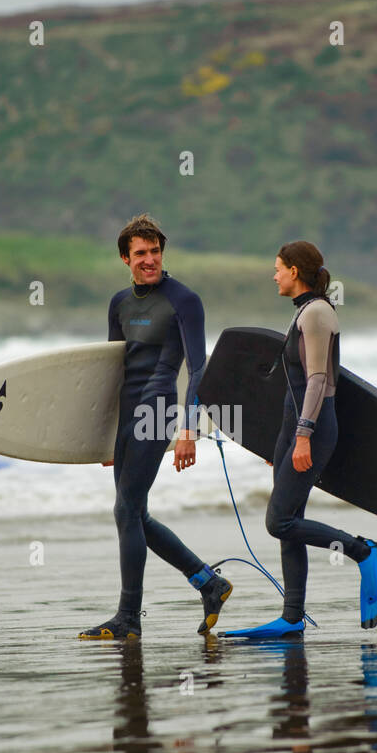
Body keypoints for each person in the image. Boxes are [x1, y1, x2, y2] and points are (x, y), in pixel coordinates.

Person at [79, 214, 232, 640]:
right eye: (141, 254)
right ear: (125, 258)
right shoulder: (119, 304)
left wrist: (188, 431)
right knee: (135, 515)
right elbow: (113, 369)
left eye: (155, 252)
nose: (150, 260)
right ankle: (208, 582)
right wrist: (109, 435)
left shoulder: (184, 300)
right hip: (128, 413)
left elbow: (199, 369)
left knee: (125, 510)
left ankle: (129, 618)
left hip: (160, 407)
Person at [222, 241, 377, 639]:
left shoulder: (316, 314)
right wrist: (277, 440)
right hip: (292, 427)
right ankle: (292, 617)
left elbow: (318, 380)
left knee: (279, 521)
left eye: (278, 268)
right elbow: (291, 385)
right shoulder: (304, 312)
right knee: (290, 518)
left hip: (311, 426)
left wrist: (303, 436)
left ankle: (363, 551)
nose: (273, 275)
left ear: (295, 271)